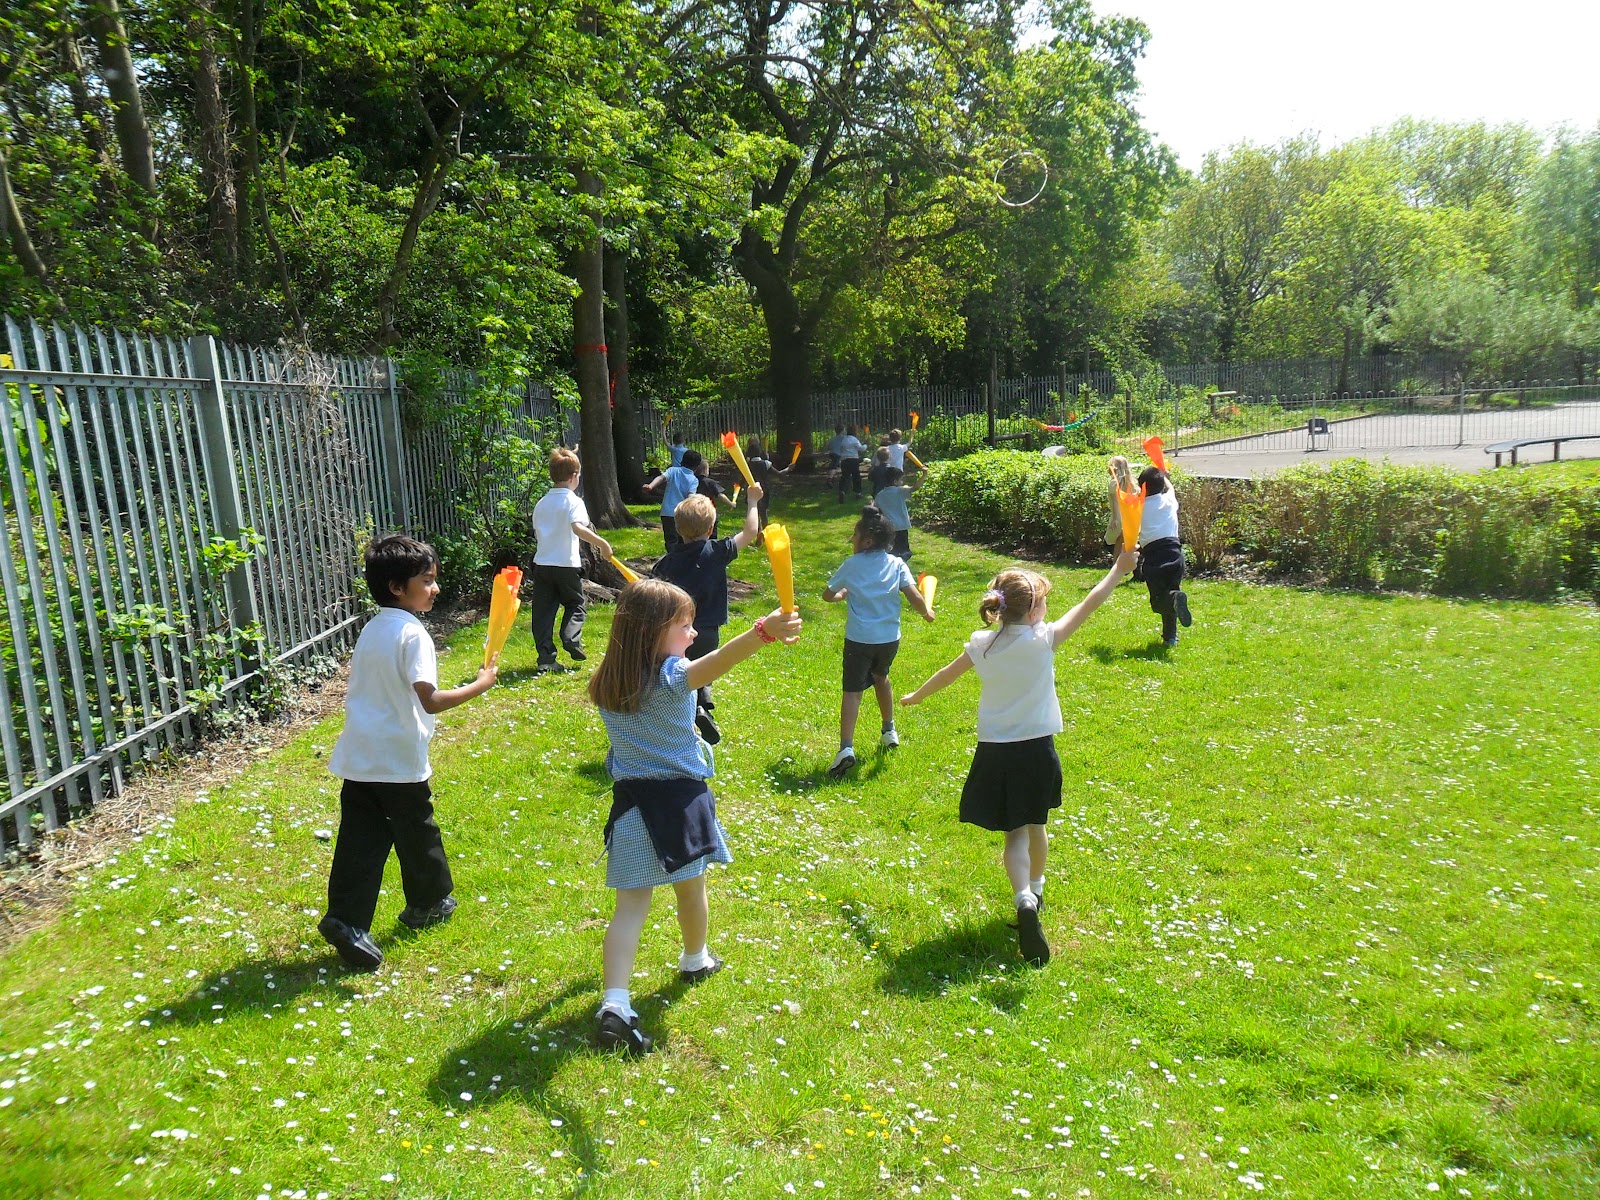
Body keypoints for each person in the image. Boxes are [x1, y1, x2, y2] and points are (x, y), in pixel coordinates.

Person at [587, 579, 802, 1055]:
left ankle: (615, 1003)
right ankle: (695, 958)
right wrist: (761, 633)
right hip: (680, 805)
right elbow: (714, 664)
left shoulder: (607, 681)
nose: (692, 635)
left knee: (629, 909)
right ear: (651, 633)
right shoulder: (670, 677)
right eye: (683, 626)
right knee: (692, 890)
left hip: (630, 807)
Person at [900, 552, 1135, 966]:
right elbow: (1092, 601)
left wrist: (916, 696)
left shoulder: (982, 644)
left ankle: (1022, 897)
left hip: (996, 752)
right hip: (1038, 751)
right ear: (1033, 612)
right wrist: (1119, 569)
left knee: (1013, 835)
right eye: (1044, 604)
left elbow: (945, 675)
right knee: (1036, 825)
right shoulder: (1045, 639)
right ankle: (1037, 888)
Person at [318, 535, 499, 972]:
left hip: (360, 756)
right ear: (398, 587)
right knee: (418, 832)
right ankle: (429, 902)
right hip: (398, 759)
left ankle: (345, 920)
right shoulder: (412, 634)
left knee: (360, 840)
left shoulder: (373, 628)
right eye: (427, 580)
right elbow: (430, 699)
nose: (435, 588)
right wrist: (481, 684)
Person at [822, 506, 933, 778]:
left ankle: (846, 748)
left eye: (854, 535)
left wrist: (842, 595)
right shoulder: (897, 564)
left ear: (867, 540)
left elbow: (827, 594)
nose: (852, 540)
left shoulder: (852, 565)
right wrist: (927, 612)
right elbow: (915, 596)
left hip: (859, 639)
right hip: (888, 639)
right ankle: (889, 730)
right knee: (881, 676)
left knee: (852, 691)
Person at [650, 486, 765, 745]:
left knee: (680, 676)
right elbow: (750, 532)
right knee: (702, 669)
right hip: (709, 632)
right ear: (711, 528)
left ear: (678, 529)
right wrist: (753, 502)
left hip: (675, 634)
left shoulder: (666, 562)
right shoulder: (716, 551)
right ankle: (702, 702)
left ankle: (694, 712)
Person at [530, 448, 614, 673]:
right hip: (566, 565)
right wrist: (602, 543)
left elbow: (538, 533)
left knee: (543, 613)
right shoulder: (573, 502)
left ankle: (546, 659)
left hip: (542, 565)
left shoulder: (541, 503)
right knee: (575, 604)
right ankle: (570, 638)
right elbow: (577, 528)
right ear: (574, 476)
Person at [1137, 465, 1191, 647]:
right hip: (1175, 554)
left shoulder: (1139, 506)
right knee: (1172, 592)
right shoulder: (1168, 500)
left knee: (1159, 602)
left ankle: (1174, 602)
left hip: (1154, 557)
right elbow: (1171, 489)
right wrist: (1165, 476)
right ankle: (1170, 638)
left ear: (1142, 487)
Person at [643, 448, 703, 552]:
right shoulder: (694, 480)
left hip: (667, 512)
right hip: (682, 514)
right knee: (682, 539)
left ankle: (671, 558)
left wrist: (650, 486)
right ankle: (679, 560)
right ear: (697, 467)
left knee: (670, 539)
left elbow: (661, 478)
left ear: (682, 460)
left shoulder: (673, 470)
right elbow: (690, 496)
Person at [744, 435, 787, 533]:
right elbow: (779, 474)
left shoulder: (747, 465)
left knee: (753, 511)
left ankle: (757, 532)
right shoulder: (766, 463)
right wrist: (789, 468)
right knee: (763, 512)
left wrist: (740, 487)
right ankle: (765, 533)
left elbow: (742, 479)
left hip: (751, 490)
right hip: (764, 490)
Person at [874, 466, 914, 560]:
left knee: (892, 549)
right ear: (895, 481)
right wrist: (924, 474)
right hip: (902, 526)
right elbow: (915, 487)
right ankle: (903, 559)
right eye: (901, 480)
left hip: (889, 527)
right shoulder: (900, 491)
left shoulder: (880, 494)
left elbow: (875, 508)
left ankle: (894, 561)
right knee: (904, 548)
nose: (902, 482)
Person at [691, 455, 734, 539]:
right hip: (708, 511)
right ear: (705, 470)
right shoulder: (710, 482)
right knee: (711, 534)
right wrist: (731, 504)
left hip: (694, 511)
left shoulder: (691, 481)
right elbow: (720, 495)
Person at [836, 425, 865, 502]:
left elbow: (841, 449)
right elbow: (861, 448)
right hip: (853, 460)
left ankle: (842, 490)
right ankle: (858, 492)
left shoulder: (844, 439)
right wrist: (865, 445)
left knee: (845, 476)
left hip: (844, 460)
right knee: (856, 476)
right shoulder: (854, 440)